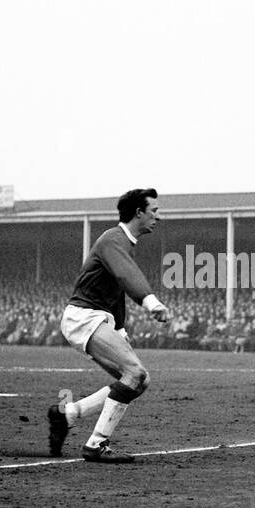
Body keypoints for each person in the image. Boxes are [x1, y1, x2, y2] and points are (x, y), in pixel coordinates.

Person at [47, 188, 170, 463]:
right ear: (139, 213)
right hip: (85, 317)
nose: (158, 217)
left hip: (96, 318)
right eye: (154, 211)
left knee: (139, 380)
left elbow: (116, 289)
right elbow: (127, 277)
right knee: (134, 373)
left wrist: (121, 330)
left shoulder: (121, 243)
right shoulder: (114, 239)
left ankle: (67, 414)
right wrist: (151, 303)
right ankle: (96, 445)